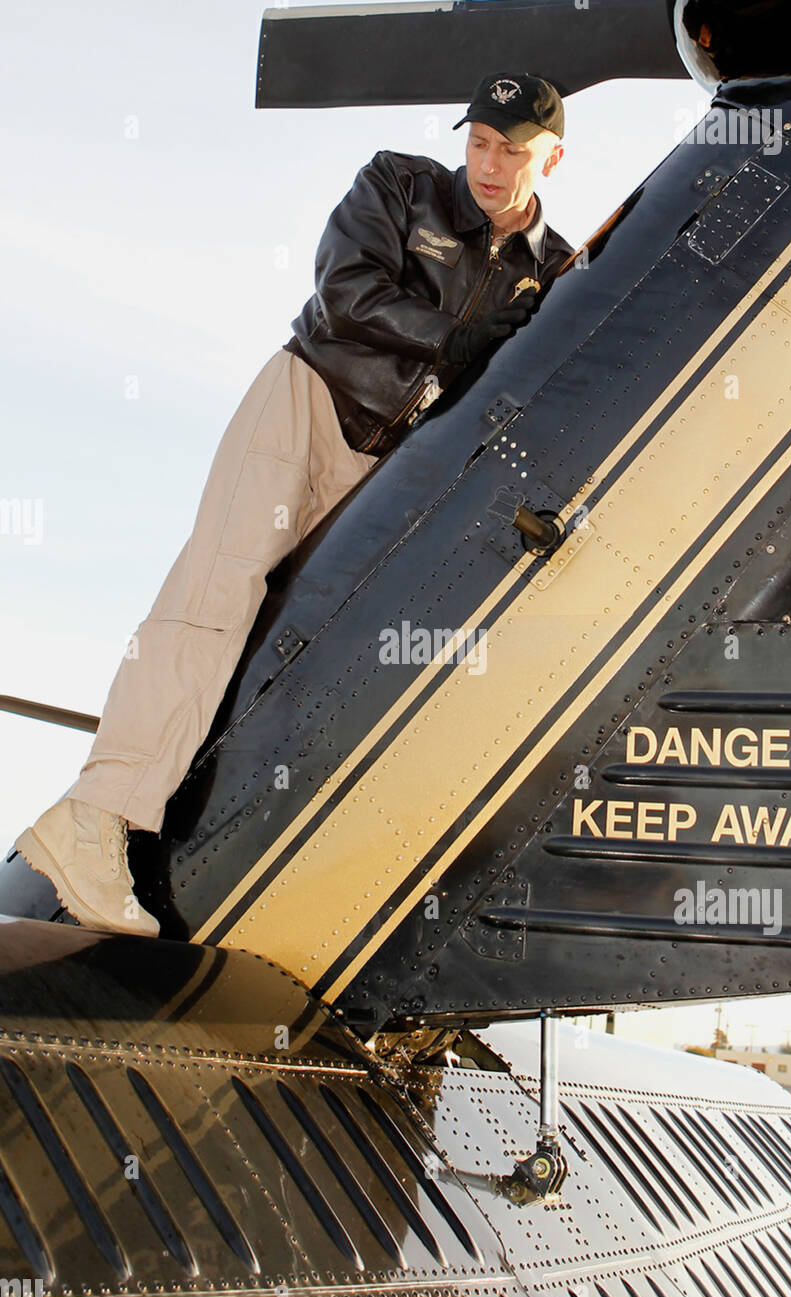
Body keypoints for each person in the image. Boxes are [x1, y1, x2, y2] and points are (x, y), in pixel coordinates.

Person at [15, 70, 575, 937]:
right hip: (309, 399)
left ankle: (177, 843)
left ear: (552, 158)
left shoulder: (551, 272)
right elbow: (344, 292)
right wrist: (453, 338)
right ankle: (93, 820)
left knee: (296, 650)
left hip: (387, 464)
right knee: (215, 592)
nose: (489, 166)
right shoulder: (399, 182)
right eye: (478, 142)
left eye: (512, 151)